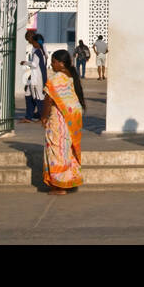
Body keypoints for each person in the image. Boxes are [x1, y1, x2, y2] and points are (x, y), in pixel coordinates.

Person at [42, 48, 85, 193]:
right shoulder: (71, 77)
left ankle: (60, 186)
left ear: (61, 63)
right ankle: (67, 181)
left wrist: (43, 117)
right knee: (65, 150)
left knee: (56, 151)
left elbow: (48, 99)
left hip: (58, 119)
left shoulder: (56, 79)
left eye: (53, 62)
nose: (52, 65)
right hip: (70, 120)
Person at [20, 30, 47, 122]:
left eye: (28, 39)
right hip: (35, 76)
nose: (28, 41)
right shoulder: (40, 50)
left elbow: (35, 64)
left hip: (36, 78)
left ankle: (42, 115)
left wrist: (25, 62)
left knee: (38, 97)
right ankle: (29, 115)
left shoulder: (38, 50)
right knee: (28, 93)